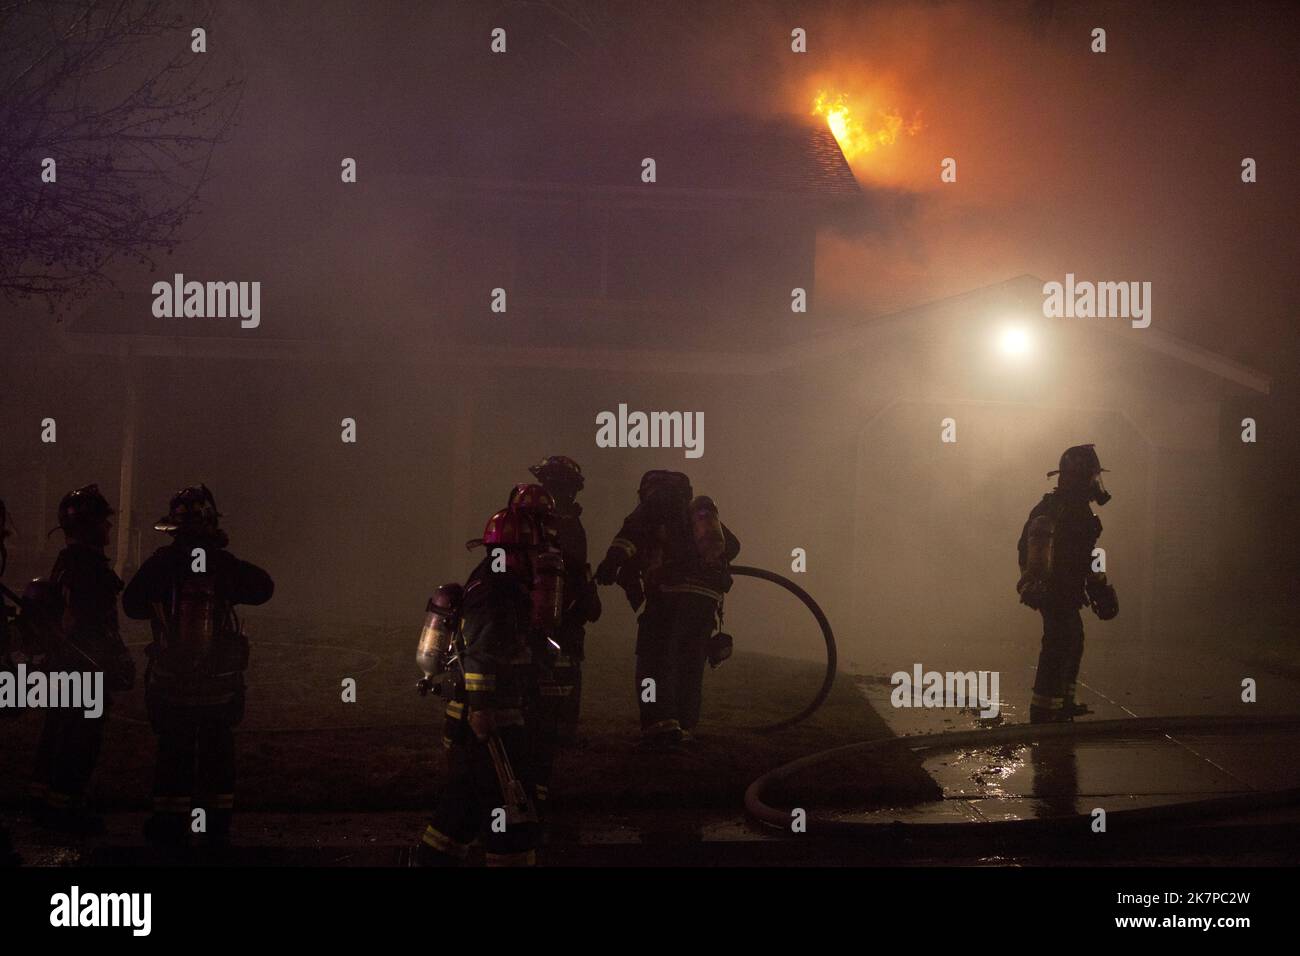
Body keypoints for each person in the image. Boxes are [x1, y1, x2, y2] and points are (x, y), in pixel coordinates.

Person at [122, 485, 273, 847]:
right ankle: (214, 823)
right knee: (216, 751)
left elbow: (131, 605)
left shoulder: (161, 563)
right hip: (218, 685)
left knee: (173, 750)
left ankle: (168, 823)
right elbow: (263, 588)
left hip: (171, 681)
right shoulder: (224, 565)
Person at [416, 507, 544, 866]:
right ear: (516, 552)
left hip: (474, 722)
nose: (537, 560)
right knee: (510, 813)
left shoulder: (491, 579)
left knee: (461, 810)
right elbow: (482, 654)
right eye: (532, 552)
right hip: (490, 725)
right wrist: (483, 708)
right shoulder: (497, 591)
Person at [595, 471, 739, 748]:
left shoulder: (656, 505)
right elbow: (733, 546)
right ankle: (685, 725)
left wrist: (611, 563)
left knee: (654, 657)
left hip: (672, 595)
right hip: (706, 599)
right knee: (691, 663)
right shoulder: (698, 517)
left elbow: (630, 534)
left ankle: (658, 722)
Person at [29, 485, 135, 833]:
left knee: (57, 732)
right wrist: (111, 658)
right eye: (103, 522)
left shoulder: (68, 562)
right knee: (80, 739)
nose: (108, 528)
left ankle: (44, 803)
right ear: (89, 526)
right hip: (82, 667)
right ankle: (65, 810)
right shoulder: (88, 567)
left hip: (64, 667)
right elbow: (88, 622)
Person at [1017, 445, 1119, 723]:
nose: (1095, 484)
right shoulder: (1071, 512)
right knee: (1060, 643)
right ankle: (1045, 711)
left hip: (1059, 590)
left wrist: (1097, 585)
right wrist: (1097, 585)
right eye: (1091, 476)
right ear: (1080, 477)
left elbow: (1086, 556)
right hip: (1057, 591)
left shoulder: (1059, 508)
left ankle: (1062, 704)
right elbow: (1084, 558)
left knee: (1072, 639)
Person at [526, 456, 601, 742]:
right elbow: (576, 565)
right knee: (566, 662)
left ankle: (539, 722)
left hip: (536, 604)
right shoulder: (568, 520)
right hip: (565, 609)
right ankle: (562, 727)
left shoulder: (532, 514)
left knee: (538, 660)